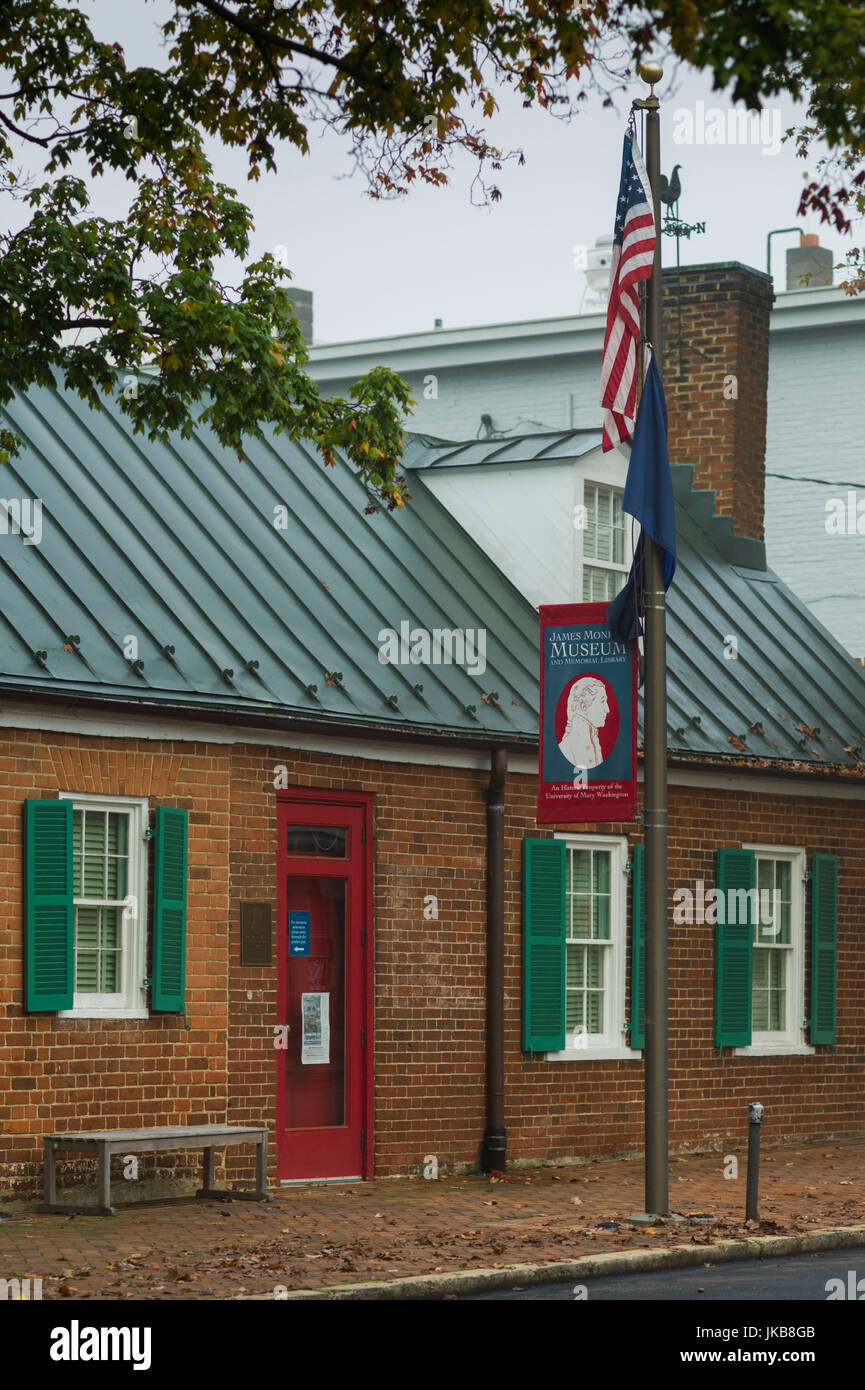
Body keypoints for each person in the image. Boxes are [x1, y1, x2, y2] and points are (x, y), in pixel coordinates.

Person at [558, 677, 610, 773]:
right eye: (602, 701)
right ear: (584, 707)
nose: (607, 709)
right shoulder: (566, 749)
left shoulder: (593, 742)